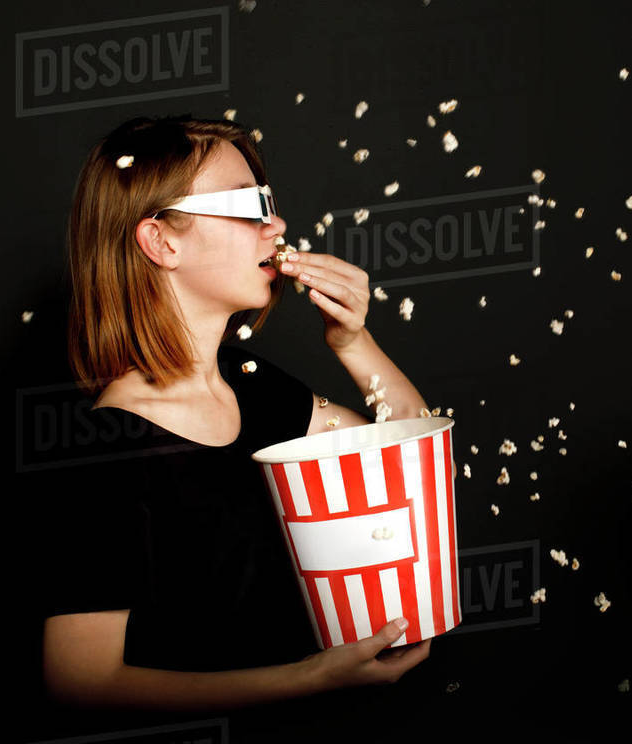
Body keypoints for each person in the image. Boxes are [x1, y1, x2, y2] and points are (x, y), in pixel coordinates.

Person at [39, 114, 432, 714]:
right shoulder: (104, 448)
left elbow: (408, 459)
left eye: (269, 202)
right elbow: (80, 682)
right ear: (162, 241)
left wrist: (355, 345)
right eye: (249, 205)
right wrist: (310, 679)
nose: (275, 224)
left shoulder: (255, 386)